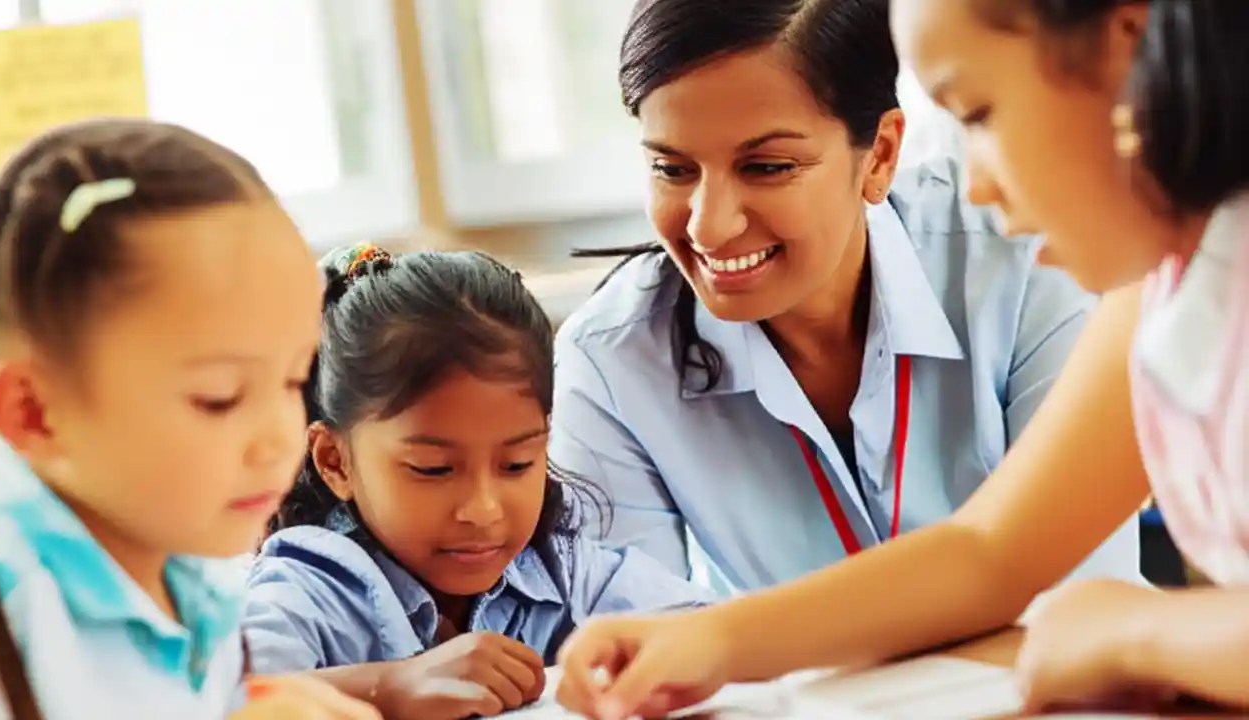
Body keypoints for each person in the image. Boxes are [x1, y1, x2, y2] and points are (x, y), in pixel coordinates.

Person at [552, 1, 1249, 717]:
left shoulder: (1049, 264)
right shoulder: (1154, 289)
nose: (974, 182)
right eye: (671, 167)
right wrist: (713, 641)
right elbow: (991, 553)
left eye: (977, 112)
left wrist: (1139, 631)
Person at [551, 0, 1138, 597]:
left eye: (768, 167)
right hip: (778, 692)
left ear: (880, 154)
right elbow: (640, 646)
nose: (709, 226)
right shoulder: (609, 361)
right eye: (673, 169)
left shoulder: (1023, 256)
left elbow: (1083, 599)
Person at [0, 120, 378, 719]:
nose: (277, 440)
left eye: (292, 380)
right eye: (220, 397)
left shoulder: (196, 575)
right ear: (34, 412)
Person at [243, 247, 710, 718]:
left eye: (517, 464)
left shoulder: (564, 571)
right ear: (336, 462)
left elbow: (711, 636)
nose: (484, 509)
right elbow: (223, 700)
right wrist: (387, 687)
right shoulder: (311, 587)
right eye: (434, 469)